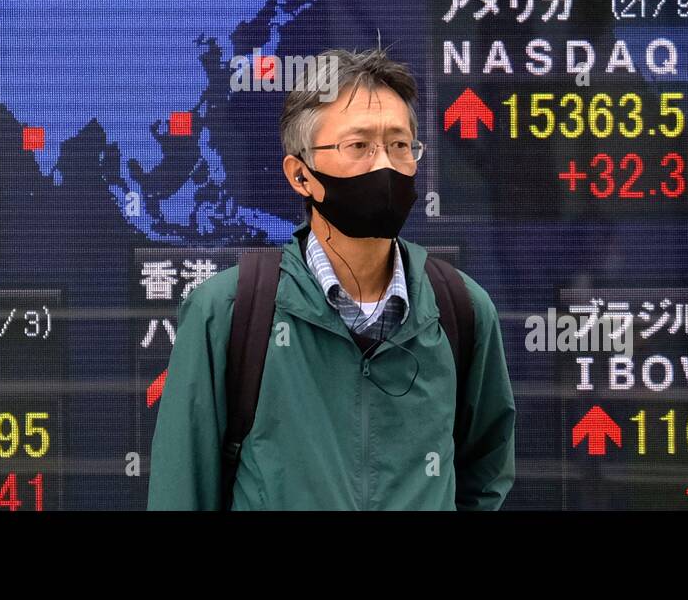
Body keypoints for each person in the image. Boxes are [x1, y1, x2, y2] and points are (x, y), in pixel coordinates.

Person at [147, 46, 516, 509]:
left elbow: (484, 476)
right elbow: (182, 493)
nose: (384, 164)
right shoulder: (229, 312)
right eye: (358, 146)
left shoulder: (461, 308)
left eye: (399, 145)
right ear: (301, 175)